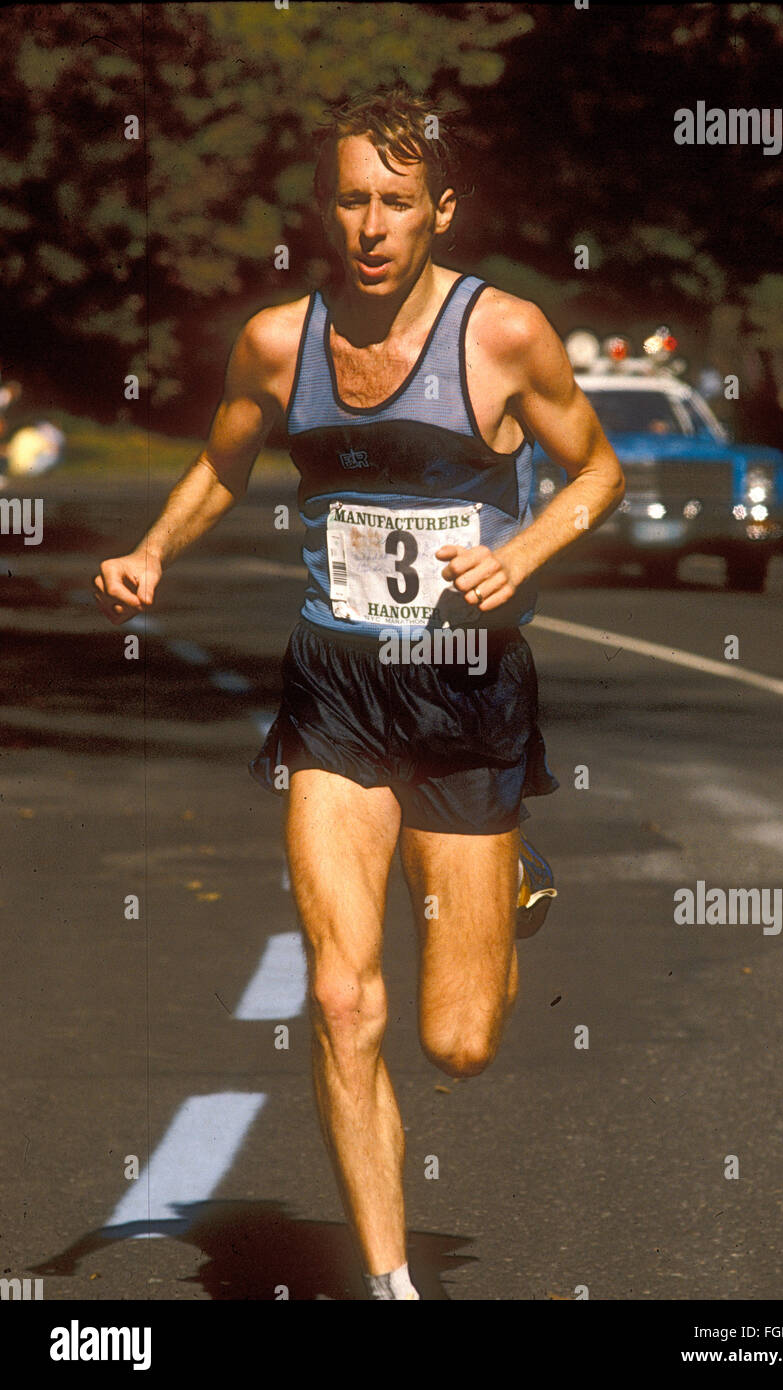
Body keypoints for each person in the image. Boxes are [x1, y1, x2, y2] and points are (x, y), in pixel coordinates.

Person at [93, 87, 625, 1300]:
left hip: (465, 690)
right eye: (350, 200)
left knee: (459, 1040)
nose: (371, 224)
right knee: (340, 998)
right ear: (323, 209)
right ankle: (387, 1283)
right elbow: (223, 461)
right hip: (334, 687)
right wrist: (154, 550)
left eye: (396, 201)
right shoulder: (281, 343)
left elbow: (595, 468)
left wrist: (521, 553)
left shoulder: (503, 336)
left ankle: (513, 870)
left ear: (441, 210)